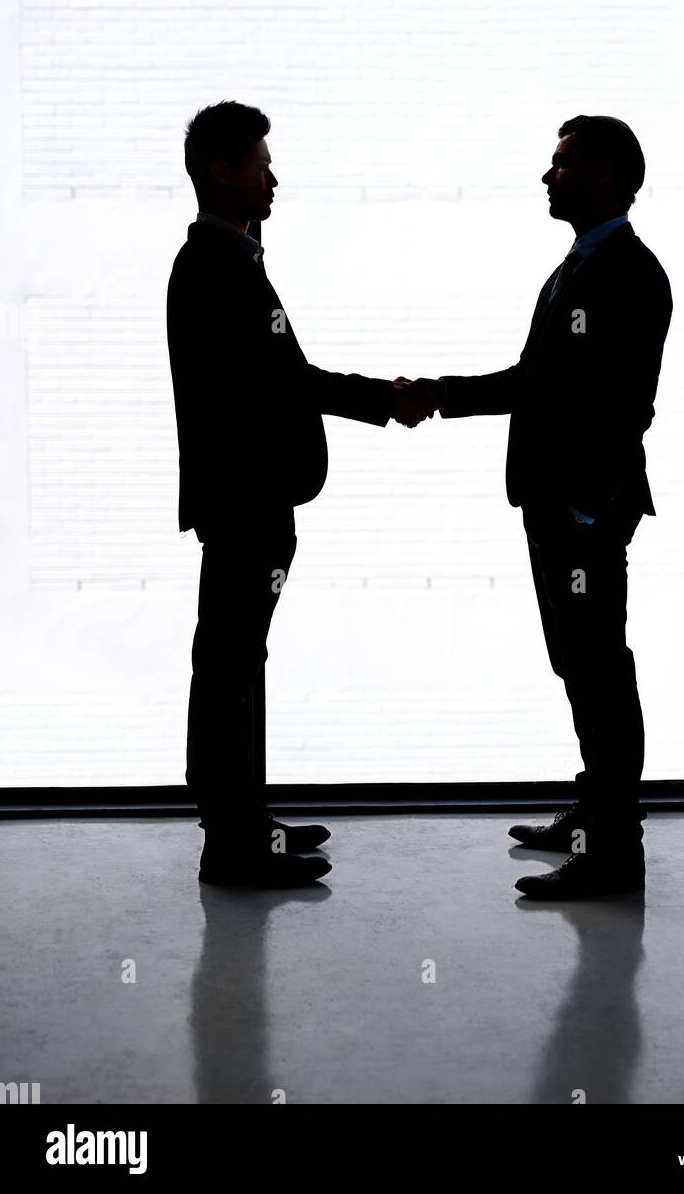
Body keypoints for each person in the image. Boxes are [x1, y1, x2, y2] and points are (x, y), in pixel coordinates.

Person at [401, 115, 672, 899]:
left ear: (611, 176)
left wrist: (435, 398)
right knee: (580, 666)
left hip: (581, 511)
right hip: (557, 507)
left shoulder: (625, 272)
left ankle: (613, 854)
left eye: (562, 164)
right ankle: (594, 820)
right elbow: (542, 380)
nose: (547, 177)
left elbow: (614, 402)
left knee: (599, 670)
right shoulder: (576, 269)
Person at [167, 101, 430, 888]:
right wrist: (387, 397)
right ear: (222, 171)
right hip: (244, 503)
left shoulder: (233, 260)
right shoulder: (215, 267)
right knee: (228, 662)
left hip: (253, 503)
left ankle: (245, 821)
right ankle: (231, 841)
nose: (272, 176)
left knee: (239, 658)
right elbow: (284, 382)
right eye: (260, 163)